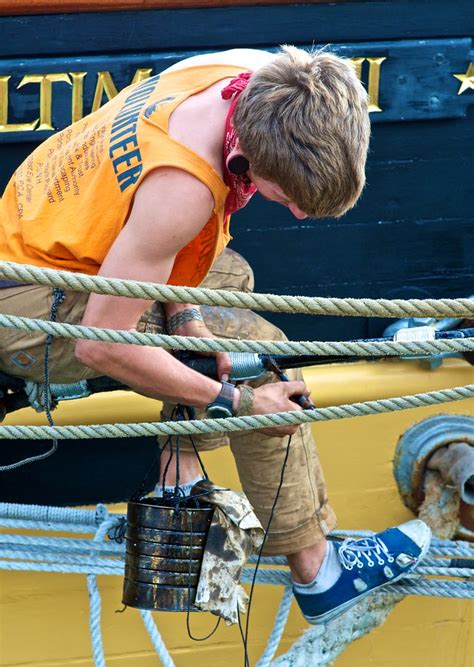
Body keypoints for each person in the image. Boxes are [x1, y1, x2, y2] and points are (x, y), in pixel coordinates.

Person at [0, 46, 431, 624]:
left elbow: (161, 236)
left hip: (59, 244)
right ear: (249, 151)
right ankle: (320, 572)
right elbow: (99, 344)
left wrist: (186, 318)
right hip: (27, 313)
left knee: (231, 281)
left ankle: (182, 469)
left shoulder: (241, 75)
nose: (297, 216)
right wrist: (241, 403)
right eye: (285, 198)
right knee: (263, 362)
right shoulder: (183, 189)